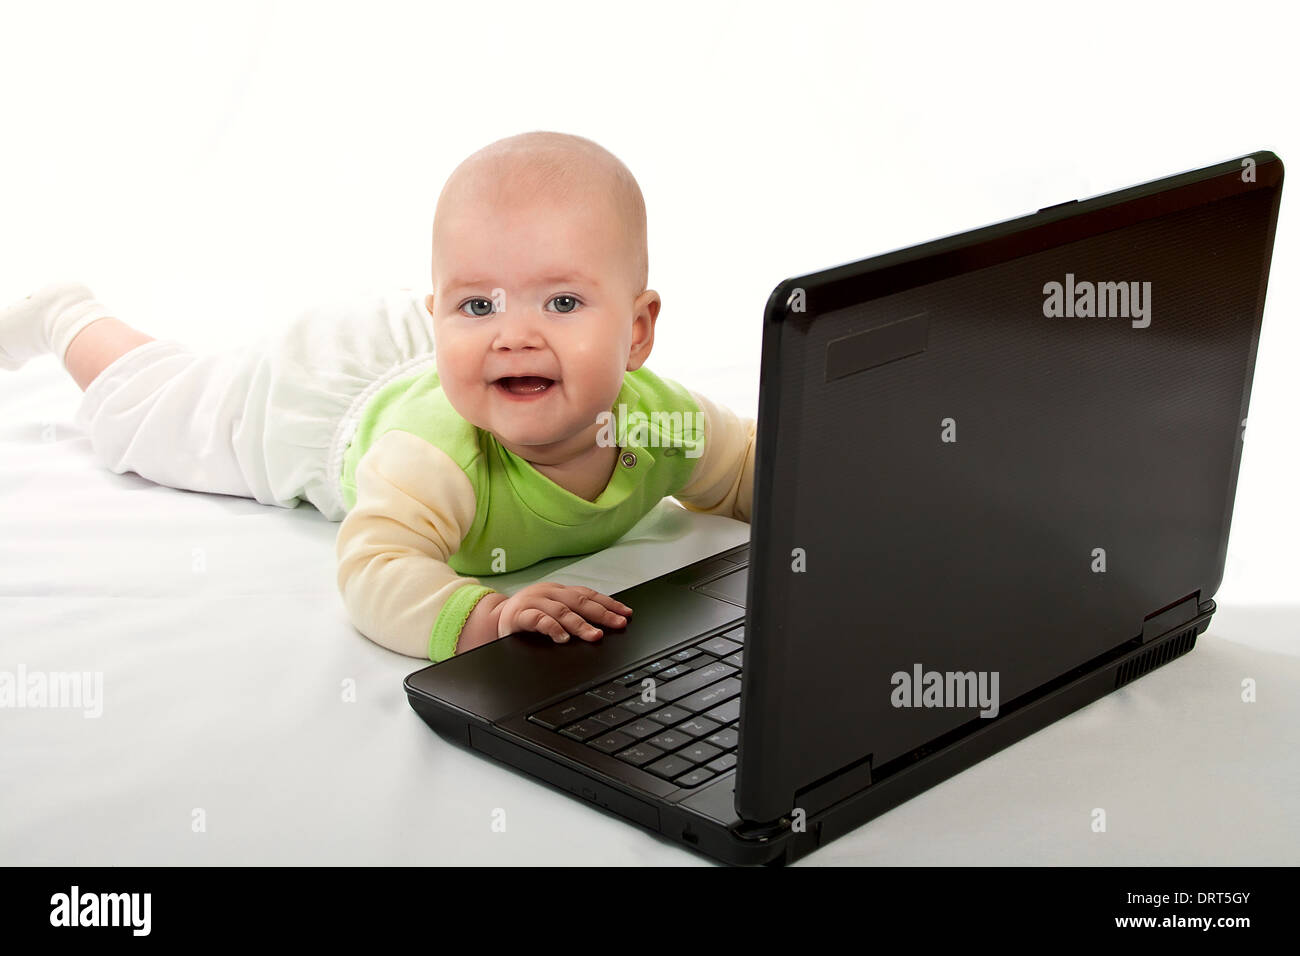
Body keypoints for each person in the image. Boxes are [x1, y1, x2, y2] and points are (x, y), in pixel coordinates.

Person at [0, 130, 756, 663]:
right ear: (443, 316)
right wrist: (487, 618)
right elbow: (374, 568)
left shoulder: (662, 422)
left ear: (637, 331)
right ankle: (65, 314)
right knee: (166, 411)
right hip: (328, 405)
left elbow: (752, 467)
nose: (514, 337)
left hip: (415, 354)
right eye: (479, 306)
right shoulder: (435, 457)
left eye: (561, 303)